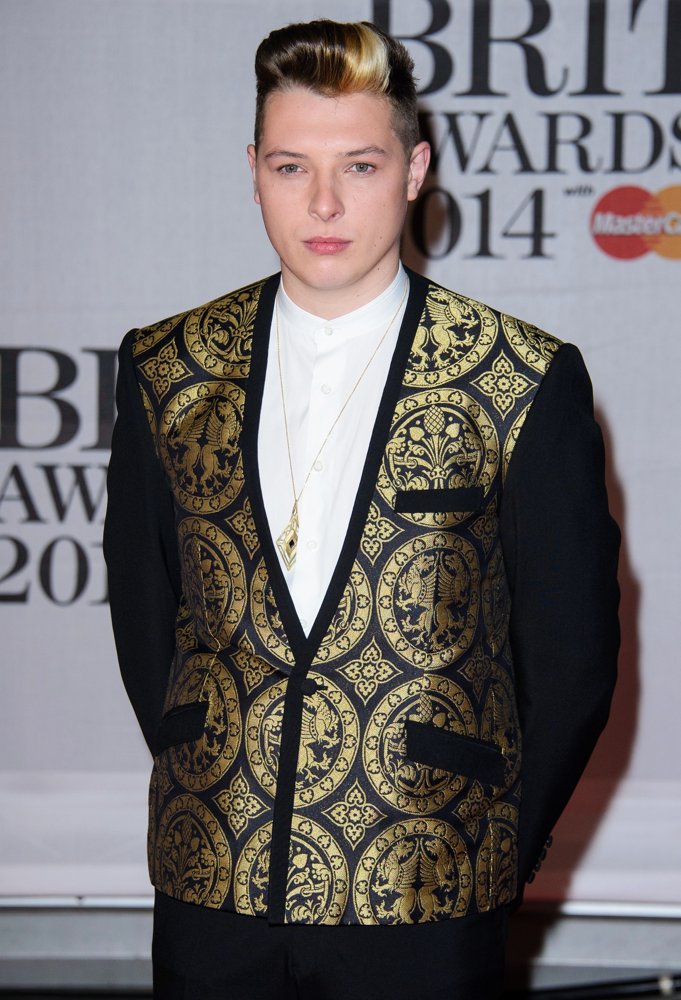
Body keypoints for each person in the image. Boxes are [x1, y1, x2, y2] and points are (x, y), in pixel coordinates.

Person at [104, 18, 620, 1000]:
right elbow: (148, 621)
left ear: (416, 169)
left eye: (362, 164)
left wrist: (495, 844)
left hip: (427, 894)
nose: (326, 202)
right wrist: (214, 761)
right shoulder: (166, 370)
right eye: (294, 167)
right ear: (252, 169)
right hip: (211, 877)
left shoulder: (519, 380)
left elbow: (574, 658)